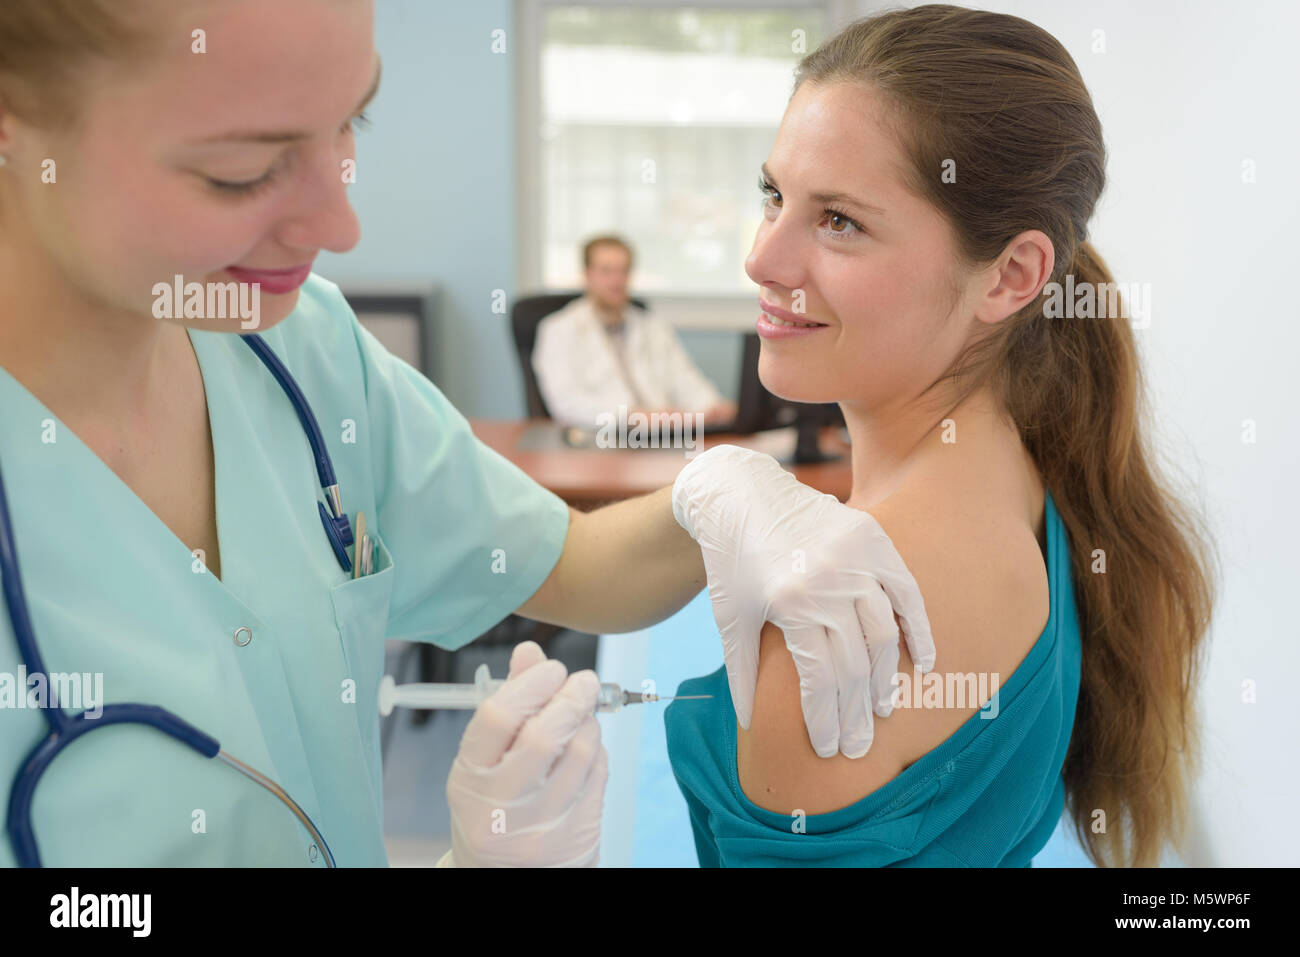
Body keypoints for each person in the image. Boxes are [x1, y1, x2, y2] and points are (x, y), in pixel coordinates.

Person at [0, 0, 934, 867]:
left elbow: (571, 562)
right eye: (241, 171)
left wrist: (723, 493)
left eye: (349, 127)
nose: (342, 224)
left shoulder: (299, 349)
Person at [666, 5, 1218, 868]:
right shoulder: (1025, 470)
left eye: (839, 220)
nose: (763, 259)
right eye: (774, 196)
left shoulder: (842, 630)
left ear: (1012, 275)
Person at [531, 235, 739, 427]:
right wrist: (630, 417)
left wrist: (713, 408)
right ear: (587, 275)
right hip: (604, 439)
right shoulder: (558, 329)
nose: (616, 281)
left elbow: (685, 379)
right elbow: (565, 403)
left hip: (663, 436)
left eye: (623, 271)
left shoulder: (652, 326)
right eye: (606, 271)